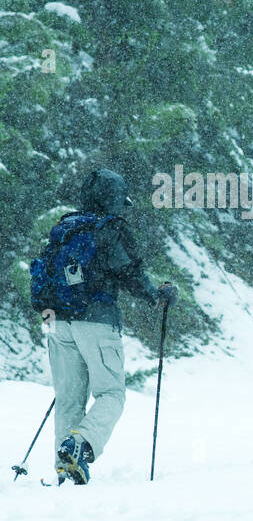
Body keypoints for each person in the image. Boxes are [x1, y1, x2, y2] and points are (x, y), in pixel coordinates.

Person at [30, 168, 178, 485]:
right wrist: (158, 297)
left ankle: (65, 469)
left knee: (69, 399)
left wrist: (52, 323)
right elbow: (130, 273)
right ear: (113, 199)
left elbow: (40, 283)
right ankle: (80, 447)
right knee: (111, 394)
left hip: (55, 322)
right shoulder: (109, 230)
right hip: (96, 321)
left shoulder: (64, 228)